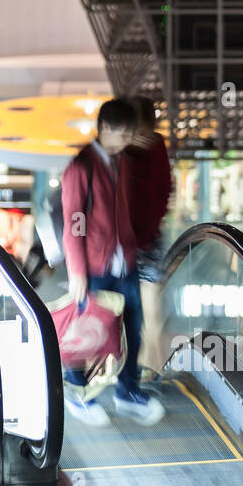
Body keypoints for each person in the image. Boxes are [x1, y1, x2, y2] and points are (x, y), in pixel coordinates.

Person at [61, 97, 165, 426]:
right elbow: (73, 221)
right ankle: (77, 393)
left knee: (132, 330)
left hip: (124, 261)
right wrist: (77, 269)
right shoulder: (81, 166)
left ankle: (128, 391)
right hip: (94, 267)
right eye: (121, 134)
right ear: (104, 128)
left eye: (129, 134)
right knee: (87, 332)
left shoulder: (122, 162)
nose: (126, 141)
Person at [126, 96, 173, 379]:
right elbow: (164, 192)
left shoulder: (128, 153)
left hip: (129, 241)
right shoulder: (158, 148)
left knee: (128, 309)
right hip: (151, 238)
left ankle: (138, 367)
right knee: (150, 309)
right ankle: (152, 368)